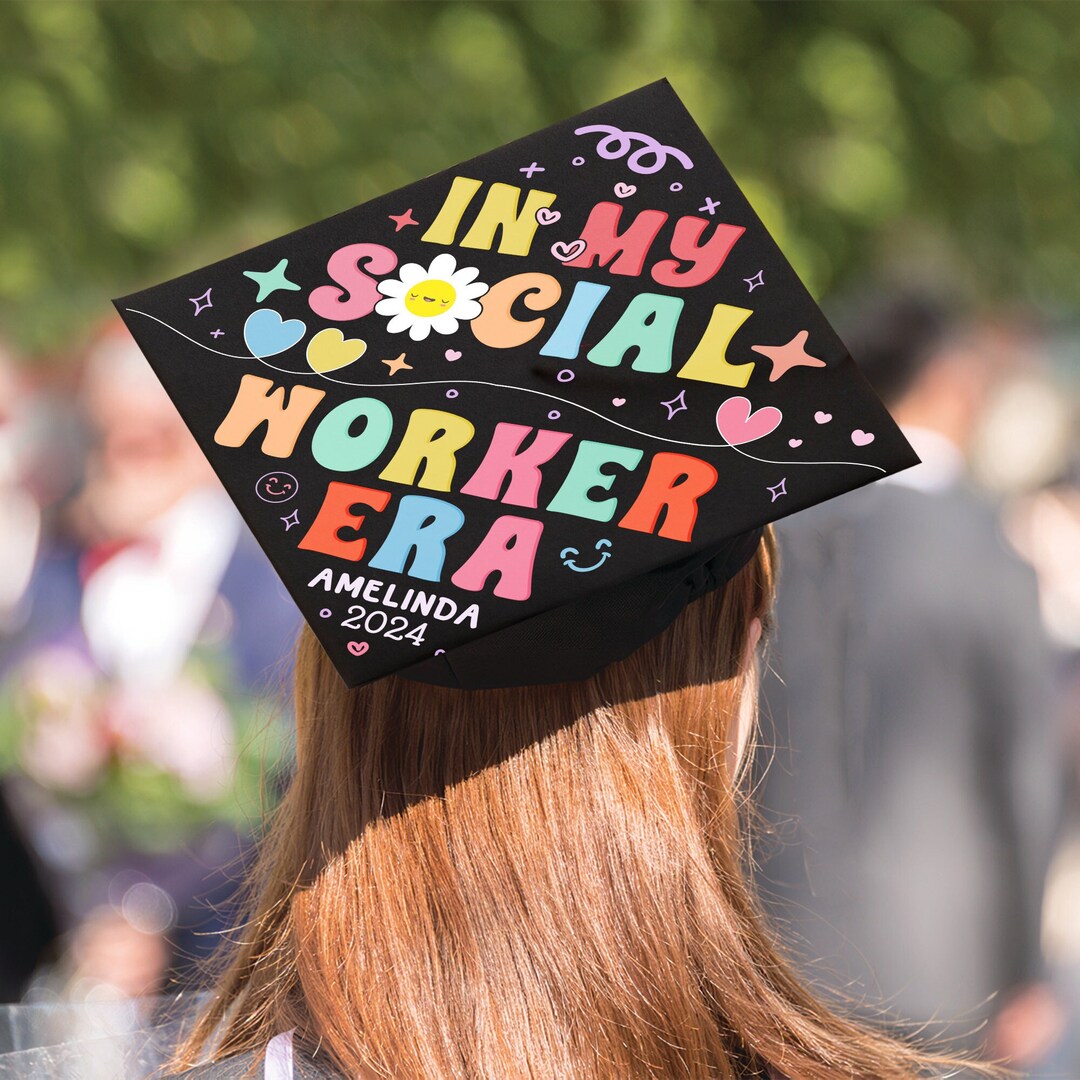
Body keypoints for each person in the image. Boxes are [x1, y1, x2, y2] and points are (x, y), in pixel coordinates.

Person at [757, 292, 1064, 1066]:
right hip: (945, 969)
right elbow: (1027, 774)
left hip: (772, 949)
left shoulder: (766, 538)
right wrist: (1026, 968)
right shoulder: (982, 548)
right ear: (954, 383)